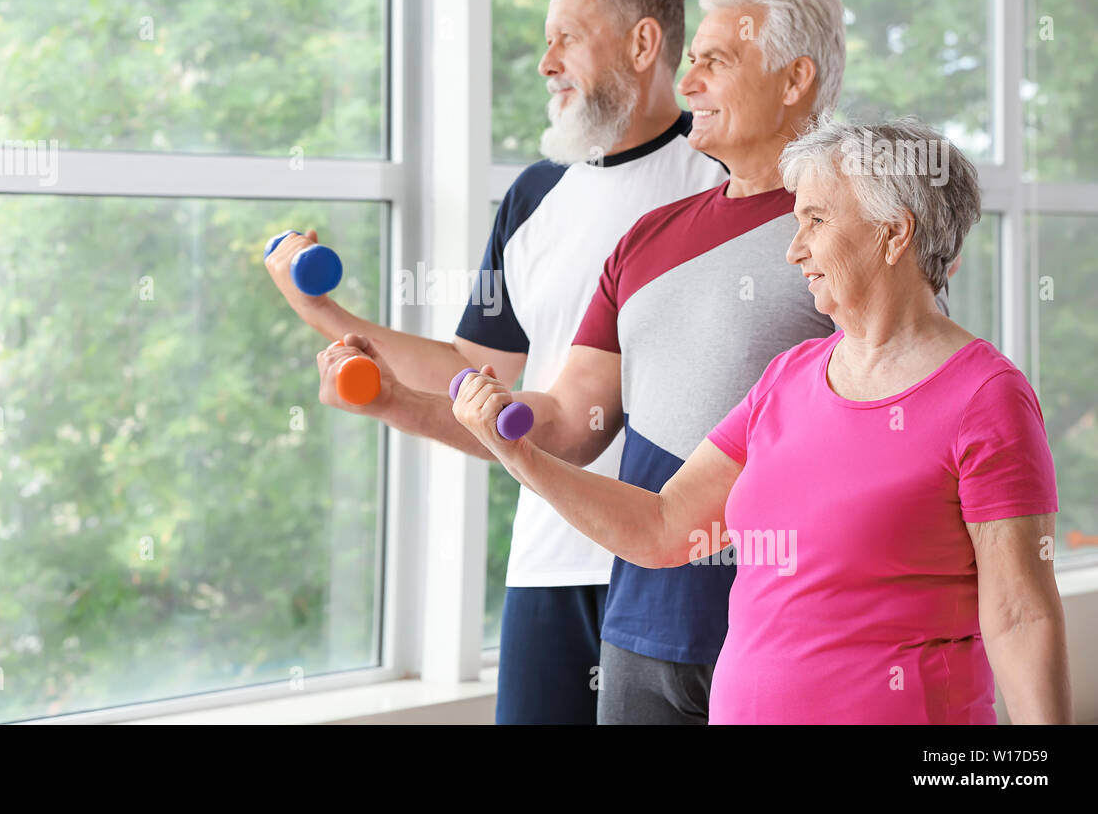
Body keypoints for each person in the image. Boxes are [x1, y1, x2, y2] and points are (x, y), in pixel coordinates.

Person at [325, 0, 856, 723]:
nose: (689, 80)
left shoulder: (859, 227)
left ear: (796, 78)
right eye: (691, 58)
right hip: (643, 626)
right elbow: (573, 420)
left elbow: (902, 418)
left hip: (787, 621)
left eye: (714, 62)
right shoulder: (646, 240)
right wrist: (400, 402)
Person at [450, 117, 1072, 724]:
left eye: (817, 221)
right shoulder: (789, 377)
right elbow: (664, 528)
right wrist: (522, 458)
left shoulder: (986, 397)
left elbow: (1020, 614)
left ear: (893, 233)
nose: (794, 248)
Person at [268, 0, 727, 723]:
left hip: (685, 564)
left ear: (644, 45)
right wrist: (332, 320)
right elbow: (477, 372)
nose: (546, 64)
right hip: (551, 557)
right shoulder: (535, 193)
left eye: (568, 39)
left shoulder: (721, 174)